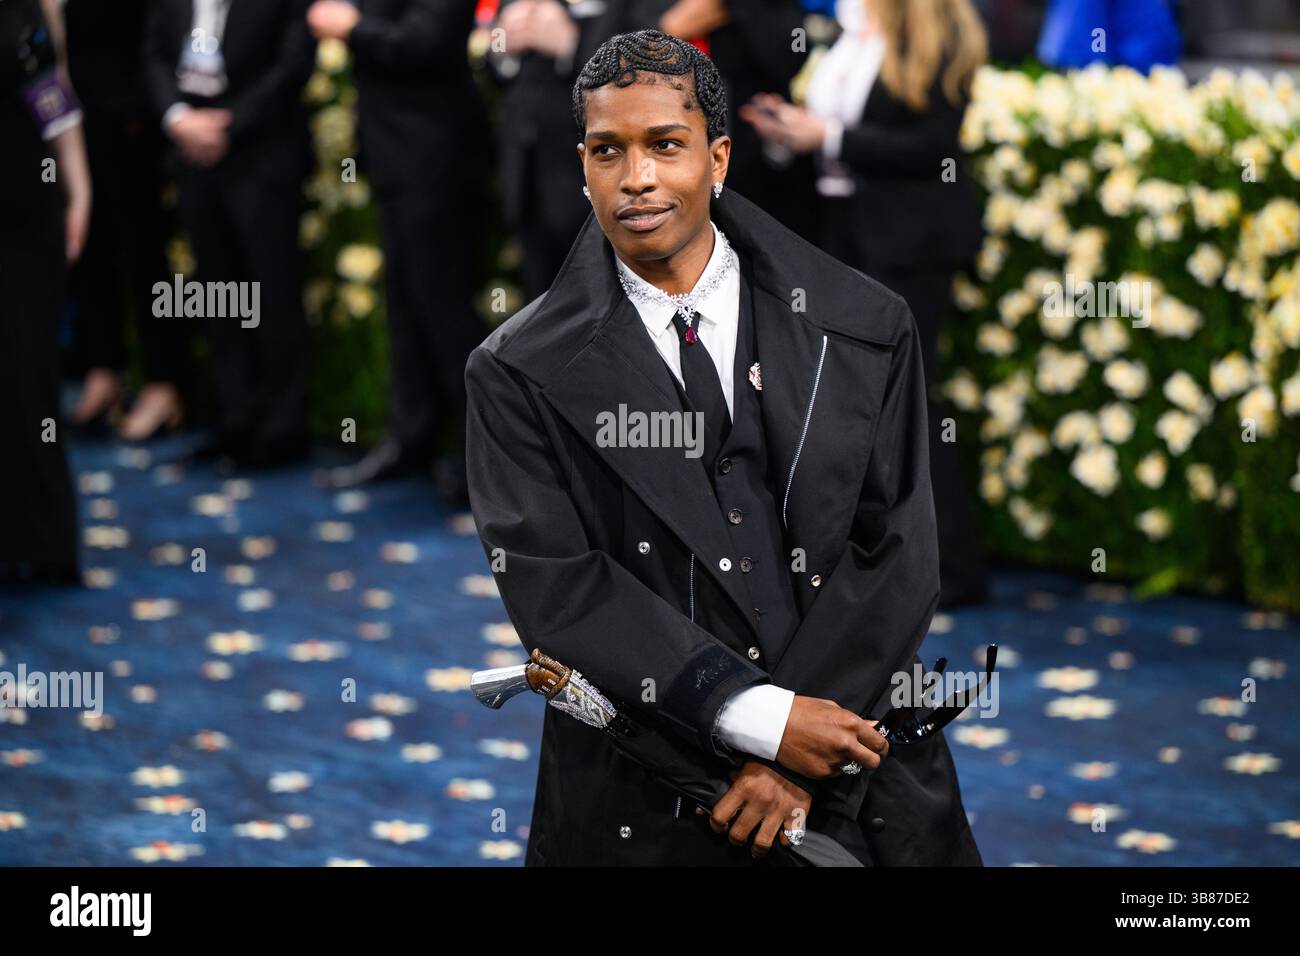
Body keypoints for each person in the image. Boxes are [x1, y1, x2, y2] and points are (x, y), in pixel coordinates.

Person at [465, 28, 981, 865]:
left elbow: (898, 553)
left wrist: (799, 752)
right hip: (642, 798)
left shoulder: (865, 323)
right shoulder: (514, 372)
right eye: (609, 150)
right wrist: (766, 723)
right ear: (583, 164)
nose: (638, 178)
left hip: (860, 777)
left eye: (666, 145)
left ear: (719, 157)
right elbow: (559, 590)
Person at [740, 0, 991, 608]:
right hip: (843, 233)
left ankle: (952, 566)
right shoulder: (848, 36)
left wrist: (829, 135)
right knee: (852, 403)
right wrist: (790, 133)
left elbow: (935, 147)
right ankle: (877, 563)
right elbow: (837, 138)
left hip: (908, 244)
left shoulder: (936, 35)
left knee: (907, 401)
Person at [310, 0, 490, 503]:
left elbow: (424, 41)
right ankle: (413, 439)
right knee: (407, 302)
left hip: (435, 153)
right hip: (395, 152)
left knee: (444, 305)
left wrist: (352, 27)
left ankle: (483, 458)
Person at [144, 0, 315, 468]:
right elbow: (155, 53)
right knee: (218, 292)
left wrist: (231, 124)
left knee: (273, 290)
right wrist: (177, 118)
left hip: (262, 154)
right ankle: (234, 417)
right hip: (191, 156)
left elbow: (295, 61)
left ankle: (284, 425)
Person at [487, 0, 673, 303]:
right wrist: (503, 45)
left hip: (603, 177)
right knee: (542, 310)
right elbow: (495, 67)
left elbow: (655, 51)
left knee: (612, 305)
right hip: (528, 174)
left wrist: (571, 46)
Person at [65, 0, 187, 440]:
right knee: (87, 246)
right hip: (75, 112)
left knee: (146, 249)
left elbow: (158, 31)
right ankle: (104, 370)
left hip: (136, 113)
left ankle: (164, 381)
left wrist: (145, 107)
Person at [0, 0, 90, 583]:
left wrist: (78, 186)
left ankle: (43, 537)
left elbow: (49, 89)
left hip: (26, 206)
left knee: (30, 369)